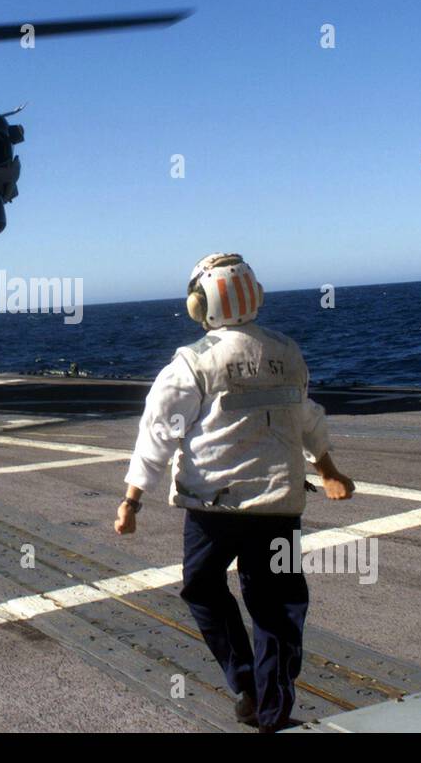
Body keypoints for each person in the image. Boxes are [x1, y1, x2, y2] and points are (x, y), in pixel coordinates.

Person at [114, 253, 355, 732]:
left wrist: (133, 499)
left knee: (201, 588)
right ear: (254, 295)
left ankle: (245, 682)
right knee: (278, 609)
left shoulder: (193, 363)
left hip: (212, 509)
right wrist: (328, 470)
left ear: (198, 305)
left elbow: (157, 433)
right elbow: (308, 417)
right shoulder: (287, 352)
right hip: (277, 507)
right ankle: (272, 711)